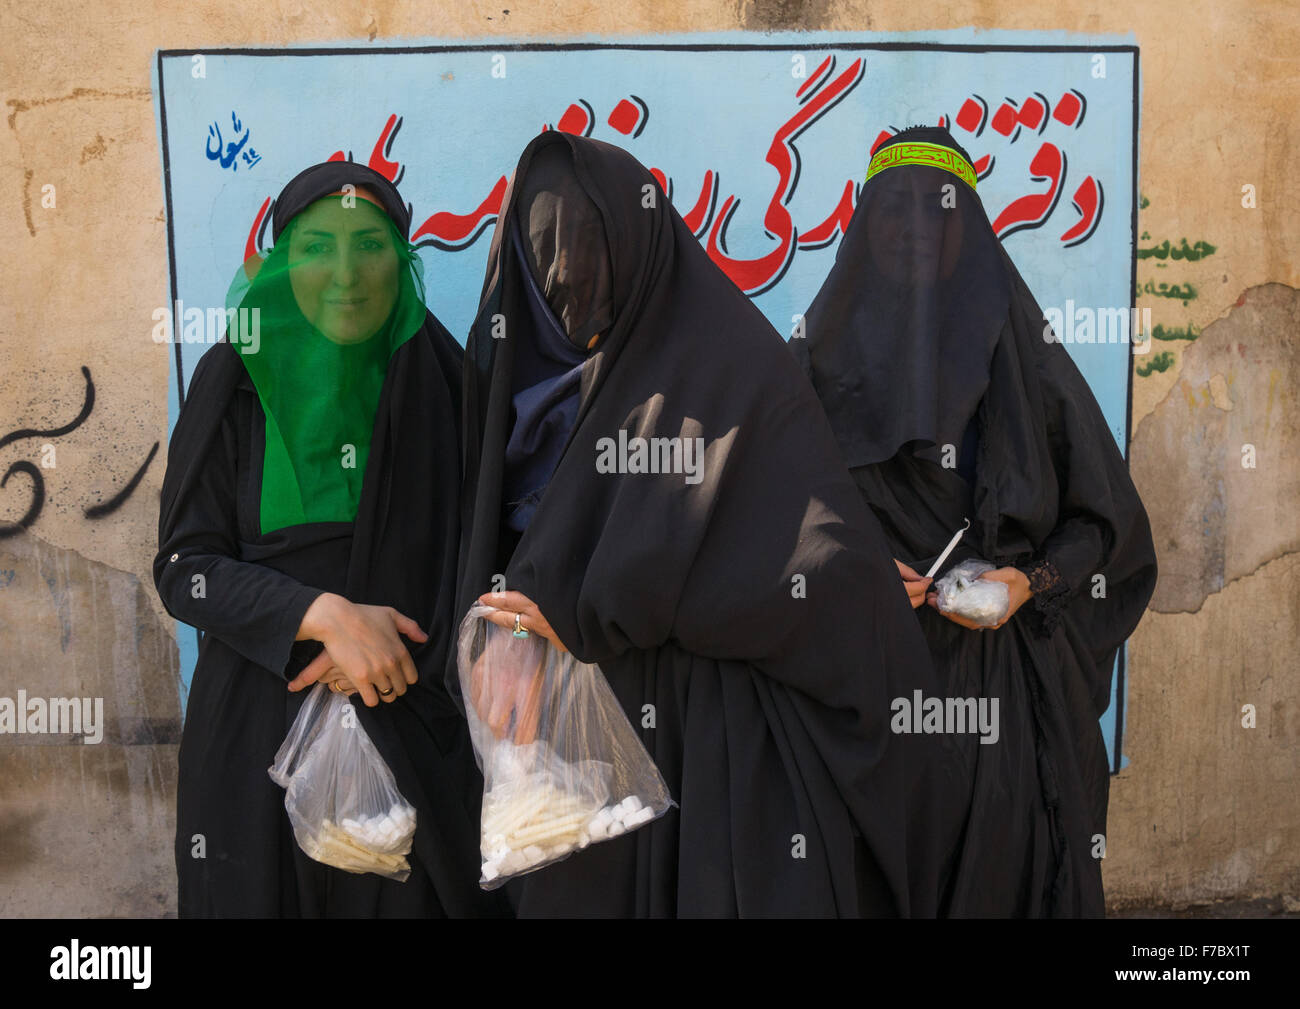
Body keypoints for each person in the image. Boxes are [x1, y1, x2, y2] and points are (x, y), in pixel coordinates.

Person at [450, 131, 944, 917]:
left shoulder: (728, 363)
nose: (571, 282)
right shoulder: (496, 377)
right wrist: (497, 631)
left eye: (594, 251)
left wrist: (582, 608)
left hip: (718, 752)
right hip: (570, 768)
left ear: (642, 245)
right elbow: (475, 558)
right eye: (548, 259)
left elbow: (816, 559)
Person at [793, 125, 1158, 916]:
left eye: (940, 209)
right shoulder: (813, 363)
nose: (915, 229)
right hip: (866, 695)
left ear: (970, 229)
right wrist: (847, 575)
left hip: (1012, 710)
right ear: (864, 222)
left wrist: (1028, 582)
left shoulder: (1027, 357)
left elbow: (1106, 522)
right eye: (895, 208)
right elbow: (768, 526)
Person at [155, 162, 503, 917]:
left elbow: (492, 561)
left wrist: (403, 643)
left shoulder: (448, 388)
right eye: (317, 247)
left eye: (370, 245)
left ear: (403, 261)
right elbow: (186, 569)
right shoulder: (236, 381)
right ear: (282, 261)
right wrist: (326, 619)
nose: (345, 273)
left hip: (412, 733)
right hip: (256, 737)